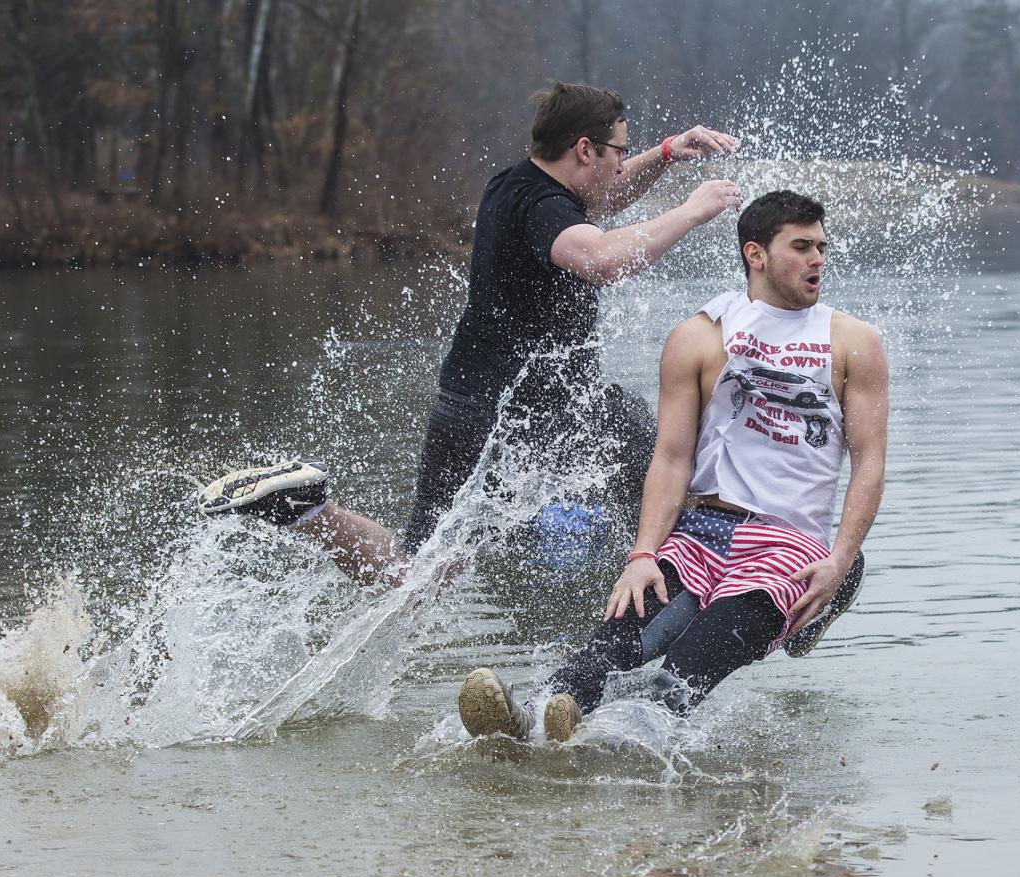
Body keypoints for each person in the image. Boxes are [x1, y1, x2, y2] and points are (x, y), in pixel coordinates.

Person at [198, 82, 743, 586]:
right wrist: (692, 211)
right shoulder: (543, 206)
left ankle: (306, 509)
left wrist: (669, 153)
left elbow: (603, 199)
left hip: (470, 402)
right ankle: (738, 589)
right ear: (584, 149)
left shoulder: (514, 185)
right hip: (541, 411)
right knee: (674, 489)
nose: (624, 165)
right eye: (620, 151)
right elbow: (601, 259)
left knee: (419, 572)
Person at [457, 190, 889, 743]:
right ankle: (524, 725)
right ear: (755, 254)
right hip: (699, 532)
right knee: (610, 643)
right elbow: (671, 457)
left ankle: (608, 748)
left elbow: (869, 462)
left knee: (685, 671)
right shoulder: (698, 337)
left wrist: (840, 558)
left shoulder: (853, 342)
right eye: (801, 247)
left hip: (789, 546)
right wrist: (641, 556)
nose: (817, 260)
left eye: (821, 248)